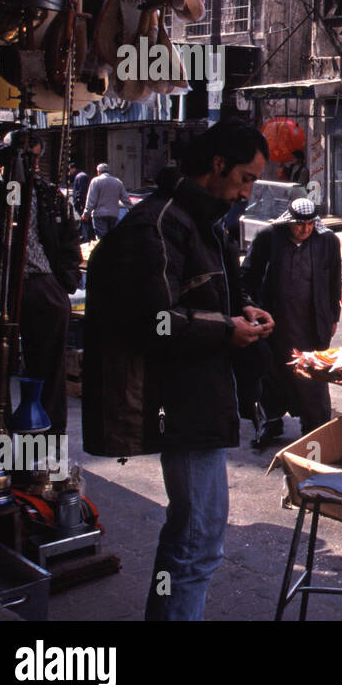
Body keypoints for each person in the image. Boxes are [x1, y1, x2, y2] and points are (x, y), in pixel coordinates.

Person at [82, 118, 275, 620]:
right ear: (217, 166)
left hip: (200, 397)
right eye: (246, 178)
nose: (248, 191)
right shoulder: (160, 221)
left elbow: (209, 292)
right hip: (181, 404)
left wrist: (245, 308)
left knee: (197, 540)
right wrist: (225, 330)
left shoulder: (202, 220)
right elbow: (156, 321)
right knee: (195, 543)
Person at [241, 197, 342, 446]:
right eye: (299, 224)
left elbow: (333, 280)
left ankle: (315, 430)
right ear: (289, 222)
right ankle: (269, 424)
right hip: (276, 322)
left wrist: (333, 316)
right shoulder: (269, 237)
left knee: (313, 378)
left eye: (309, 224)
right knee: (272, 374)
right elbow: (248, 275)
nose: (305, 229)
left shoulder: (327, 240)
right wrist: (250, 308)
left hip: (312, 323)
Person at [11, 133, 81, 435]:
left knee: (47, 374)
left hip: (40, 284)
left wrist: (62, 282)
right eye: (25, 157)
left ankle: (44, 455)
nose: (31, 164)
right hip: (2, 288)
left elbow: (70, 241)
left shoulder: (50, 196)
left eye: (35, 158)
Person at [82, 162, 133, 239]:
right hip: (113, 214)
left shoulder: (95, 181)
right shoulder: (117, 182)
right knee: (111, 238)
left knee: (101, 239)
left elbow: (91, 200)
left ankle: (103, 250)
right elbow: (126, 199)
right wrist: (133, 210)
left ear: (98, 172)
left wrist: (86, 214)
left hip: (99, 214)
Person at [67, 160, 91, 242]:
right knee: (83, 221)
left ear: (72, 168)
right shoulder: (81, 176)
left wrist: (80, 202)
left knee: (84, 220)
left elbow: (81, 192)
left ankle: (85, 238)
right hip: (82, 203)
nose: (69, 172)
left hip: (81, 204)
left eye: (69, 170)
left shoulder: (80, 177)